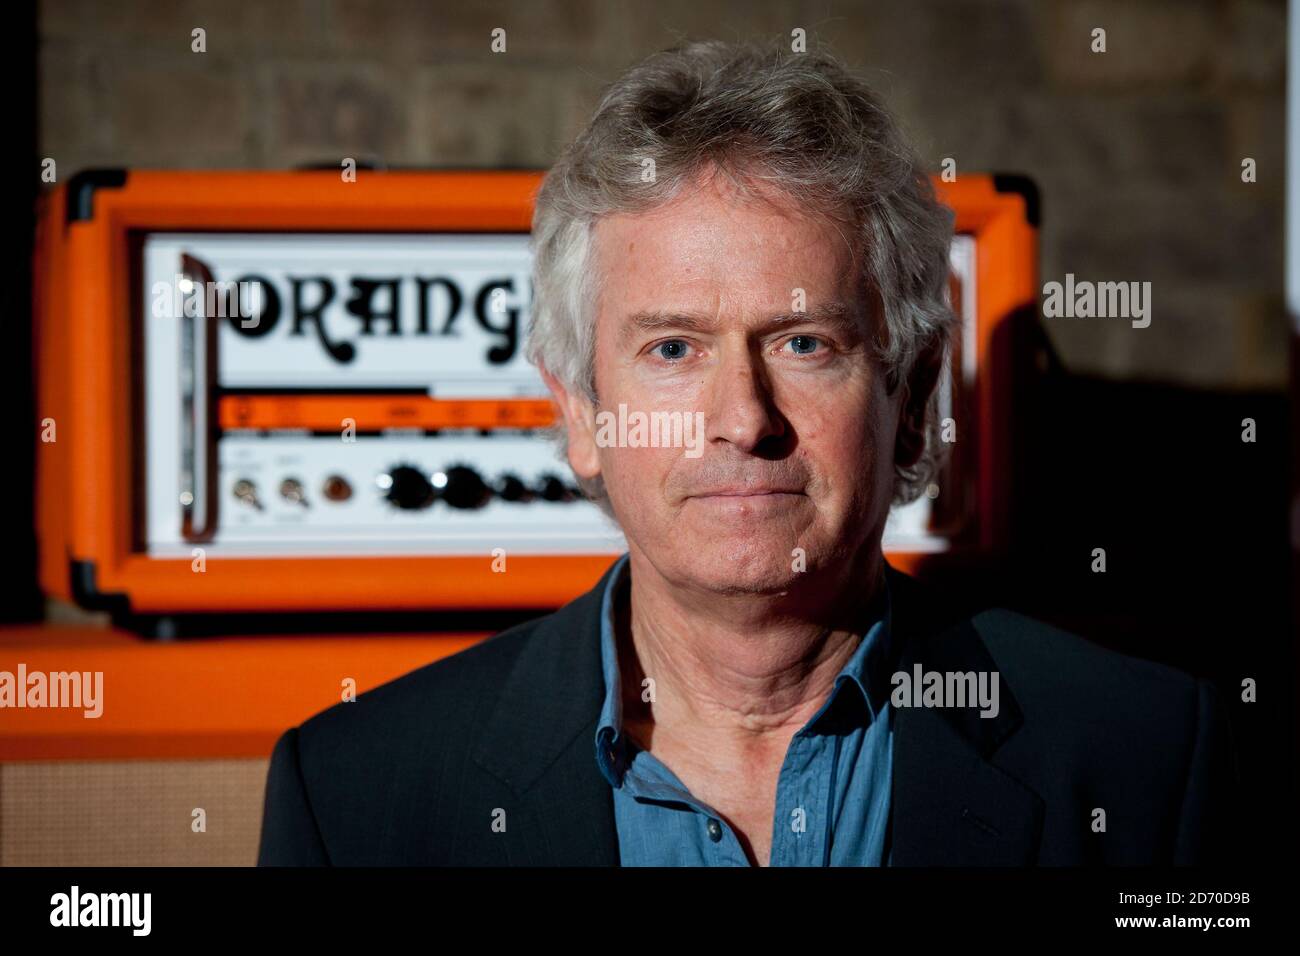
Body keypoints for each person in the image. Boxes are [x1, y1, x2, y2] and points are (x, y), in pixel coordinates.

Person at [257, 39, 1236, 866]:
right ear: (581, 414)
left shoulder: (1149, 758)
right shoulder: (352, 800)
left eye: (804, 343)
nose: (743, 417)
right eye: (673, 347)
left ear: (911, 396)